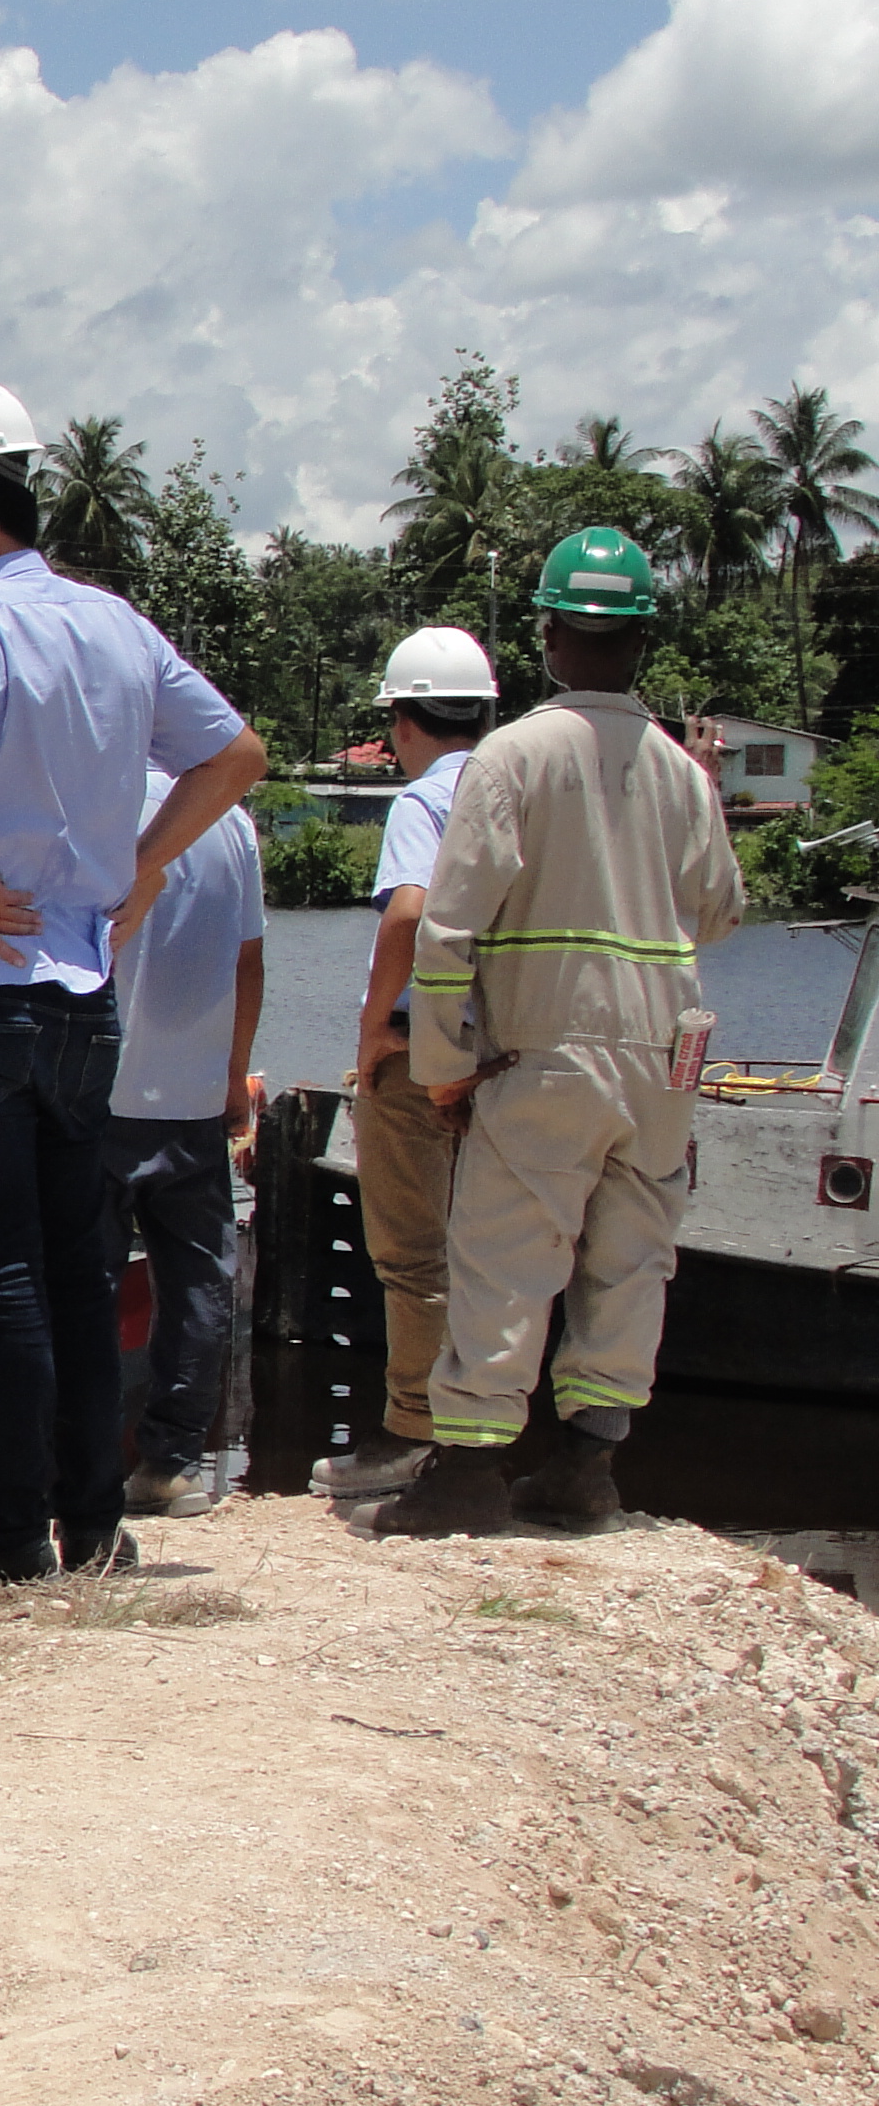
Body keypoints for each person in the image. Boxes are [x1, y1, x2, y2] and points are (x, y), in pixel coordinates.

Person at [0, 375, 265, 1603]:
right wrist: (135, 873)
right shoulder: (116, 627)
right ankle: (93, 1520)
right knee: (76, 1268)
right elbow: (235, 754)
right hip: (85, 994)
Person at [372, 528, 742, 1538]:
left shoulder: (512, 757)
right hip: (664, 1047)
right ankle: (588, 1464)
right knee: (632, 1255)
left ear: (546, 633)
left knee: (504, 1249)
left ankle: (468, 1472)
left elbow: (448, 931)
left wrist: (445, 1067)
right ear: (643, 638)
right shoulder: (678, 773)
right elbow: (715, 912)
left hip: (546, 1040)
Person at [313, 628, 495, 1500]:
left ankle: (409, 1438)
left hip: (424, 1049)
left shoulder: (424, 801)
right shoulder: (517, 792)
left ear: (402, 720)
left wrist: (375, 1031)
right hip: (506, 1051)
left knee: (413, 1257)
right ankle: (486, 1430)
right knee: (496, 1249)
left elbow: (408, 916)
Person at [100, 768, 267, 1517]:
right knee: (199, 1285)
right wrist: (233, 1075)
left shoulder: (93, 801)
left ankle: (83, 1464)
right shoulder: (230, 821)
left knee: (80, 1287)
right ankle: (170, 1464)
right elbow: (247, 960)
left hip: (98, 1095)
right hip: (195, 1097)